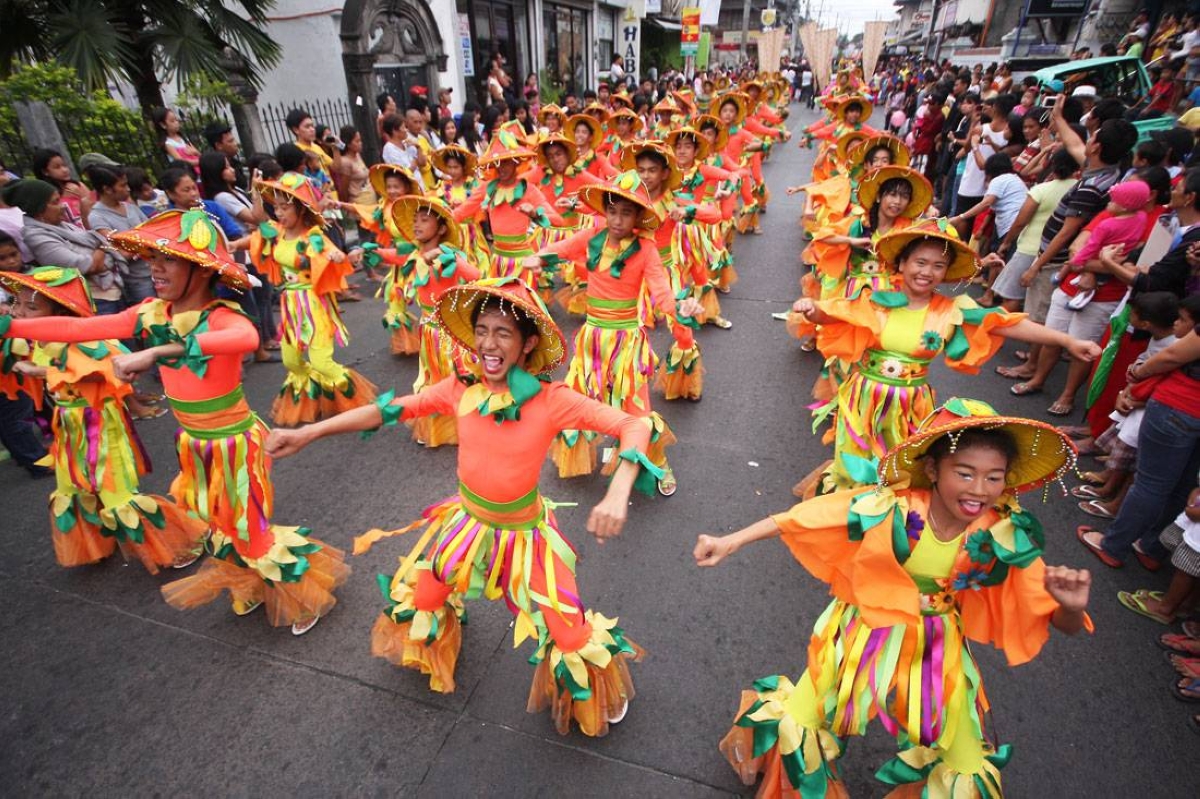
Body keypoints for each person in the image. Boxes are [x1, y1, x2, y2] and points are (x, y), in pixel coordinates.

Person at [267, 277, 650, 736]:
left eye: (503, 333)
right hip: (465, 526)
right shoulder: (457, 388)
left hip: (526, 537)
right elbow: (389, 410)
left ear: (528, 344)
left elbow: (634, 423)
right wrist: (308, 434)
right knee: (425, 598)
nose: (488, 343)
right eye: (482, 330)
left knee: (569, 634)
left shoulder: (553, 401)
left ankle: (592, 688)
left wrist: (617, 489)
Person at [694, 399, 1093, 796]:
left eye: (994, 478)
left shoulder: (1000, 534)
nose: (979, 490)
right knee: (805, 716)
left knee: (965, 757)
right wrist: (731, 540)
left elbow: (1057, 620)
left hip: (936, 647)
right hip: (862, 632)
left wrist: (1070, 607)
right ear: (934, 470)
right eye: (965, 473)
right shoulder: (894, 510)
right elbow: (804, 518)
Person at [0, 209, 350, 634]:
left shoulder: (220, 316)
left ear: (200, 270)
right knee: (221, 523)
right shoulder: (152, 312)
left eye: (167, 259)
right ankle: (253, 580)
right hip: (194, 444)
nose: (155, 268)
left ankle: (305, 594)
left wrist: (158, 352)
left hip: (235, 444)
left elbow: (247, 337)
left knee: (249, 526)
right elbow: (85, 329)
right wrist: (11, 324)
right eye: (151, 259)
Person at [790, 222, 1102, 494]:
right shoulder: (877, 301)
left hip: (911, 406)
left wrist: (1067, 340)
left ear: (946, 272)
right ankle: (846, 524)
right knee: (853, 466)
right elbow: (833, 315)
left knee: (899, 471)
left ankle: (883, 534)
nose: (927, 272)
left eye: (938, 266)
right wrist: (811, 308)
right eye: (920, 262)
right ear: (902, 263)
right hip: (862, 400)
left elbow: (1007, 323)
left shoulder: (950, 311)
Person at [1, 266, 205, 571]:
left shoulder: (89, 339)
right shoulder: (35, 340)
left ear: (62, 312)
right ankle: (95, 543)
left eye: (32, 306)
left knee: (115, 492)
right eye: (17, 303)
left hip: (98, 424)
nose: (19, 312)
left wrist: (41, 371)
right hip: (68, 425)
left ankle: (179, 542)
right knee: (72, 488)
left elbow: (112, 371)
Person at [524, 170, 703, 491]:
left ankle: (657, 462)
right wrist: (540, 257)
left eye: (626, 212)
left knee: (636, 405)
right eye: (612, 211)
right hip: (592, 339)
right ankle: (576, 452)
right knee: (578, 397)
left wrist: (681, 308)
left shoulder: (646, 249)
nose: (618, 219)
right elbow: (565, 247)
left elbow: (661, 291)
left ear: (636, 216)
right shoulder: (592, 237)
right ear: (604, 212)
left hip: (626, 341)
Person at [251, 172, 377, 425]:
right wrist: (254, 195)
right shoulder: (276, 232)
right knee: (292, 362)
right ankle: (317, 397)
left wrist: (338, 256)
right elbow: (258, 222)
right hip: (290, 307)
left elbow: (332, 253)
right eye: (276, 207)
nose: (279, 213)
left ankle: (364, 407)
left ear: (300, 208)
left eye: (285, 207)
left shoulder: (313, 236)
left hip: (313, 304)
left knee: (321, 361)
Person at [451, 129, 564, 285]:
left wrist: (535, 214)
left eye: (506, 162)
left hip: (523, 262)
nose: (501, 168)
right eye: (497, 163)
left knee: (523, 306)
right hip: (497, 261)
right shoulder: (487, 188)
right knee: (498, 307)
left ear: (516, 162)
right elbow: (460, 213)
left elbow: (558, 220)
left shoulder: (529, 190)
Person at [32, 148, 93, 228]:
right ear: (45, 172)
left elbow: (94, 208)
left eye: (64, 165)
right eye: (57, 167)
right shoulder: (44, 194)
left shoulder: (78, 186)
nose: (64, 170)